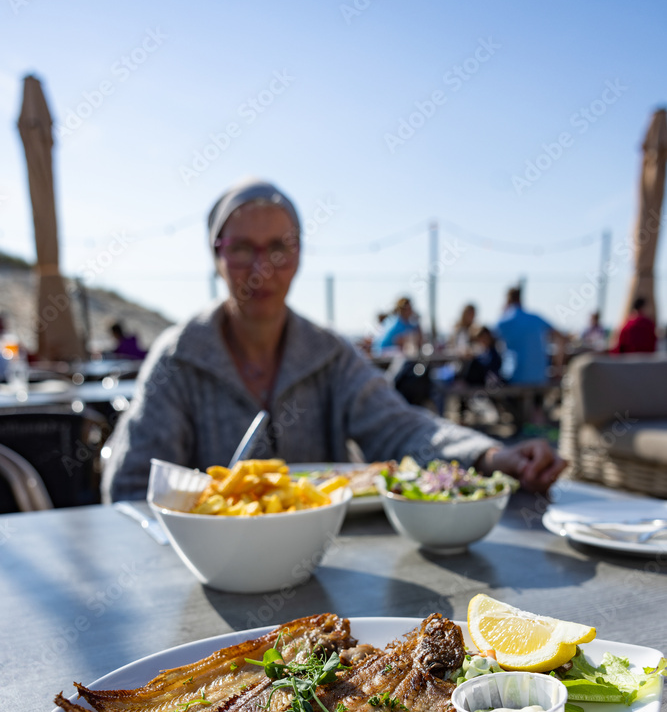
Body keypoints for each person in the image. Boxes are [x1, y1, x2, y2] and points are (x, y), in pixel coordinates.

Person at [101, 180, 566, 502]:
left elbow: (399, 429)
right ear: (216, 254)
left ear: (299, 254)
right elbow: (132, 486)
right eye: (243, 249)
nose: (262, 269)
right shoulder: (179, 357)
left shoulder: (327, 354)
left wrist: (488, 454)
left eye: (279, 248)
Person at [496, 287, 564, 384]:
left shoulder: (503, 321)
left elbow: (487, 341)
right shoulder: (535, 318)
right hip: (539, 377)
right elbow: (561, 337)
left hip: (514, 377)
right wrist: (558, 367)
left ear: (507, 300)